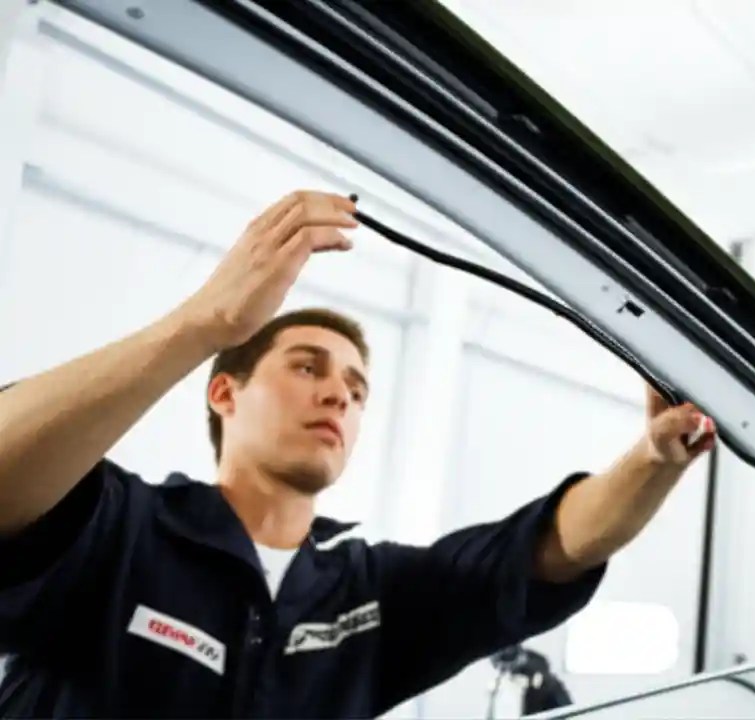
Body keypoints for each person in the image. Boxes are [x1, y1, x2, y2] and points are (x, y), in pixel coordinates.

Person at [0, 190, 717, 717]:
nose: (339, 396)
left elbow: (550, 548)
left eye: (356, 387)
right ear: (224, 393)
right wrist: (204, 323)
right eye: (308, 367)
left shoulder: (372, 594)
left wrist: (654, 458)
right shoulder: (121, 532)